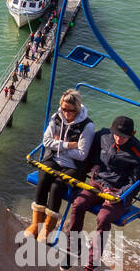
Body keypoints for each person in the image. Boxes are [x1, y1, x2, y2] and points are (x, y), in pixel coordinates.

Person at [66, 115, 140, 271]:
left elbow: (135, 182)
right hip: (99, 182)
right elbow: (93, 153)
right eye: (117, 135)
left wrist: (119, 193)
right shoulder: (104, 136)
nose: (119, 139)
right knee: (79, 204)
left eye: (125, 137)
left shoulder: (138, 154)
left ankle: (90, 267)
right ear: (112, 129)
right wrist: (94, 165)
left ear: (133, 134)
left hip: (119, 193)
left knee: (103, 218)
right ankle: (73, 247)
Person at [26, 89, 95, 245]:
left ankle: (47, 228)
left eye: (70, 111)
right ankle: (36, 224)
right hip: (54, 158)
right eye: (64, 109)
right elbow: (46, 142)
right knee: (43, 177)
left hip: (74, 166)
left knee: (57, 186)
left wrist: (58, 145)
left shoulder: (87, 126)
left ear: (77, 109)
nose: (66, 114)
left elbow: (82, 154)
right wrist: (68, 145)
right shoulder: (56, 118)